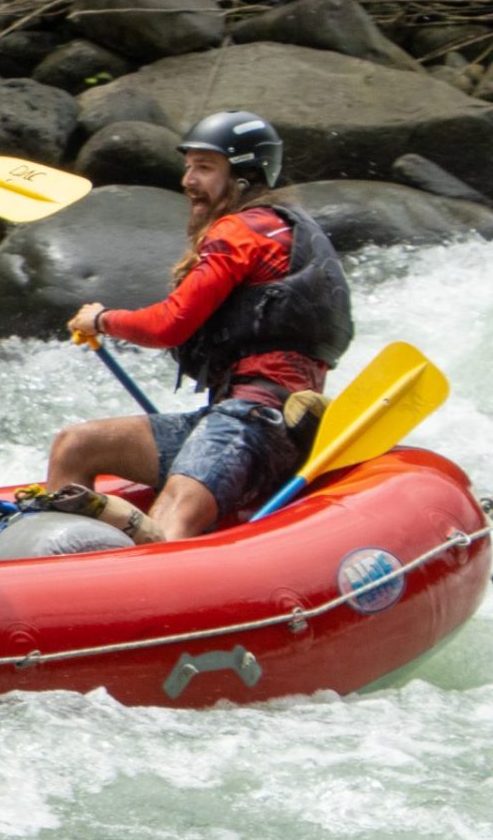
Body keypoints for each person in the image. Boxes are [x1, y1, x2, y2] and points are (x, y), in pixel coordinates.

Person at [36, 110, 348, 541]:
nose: (188, 181)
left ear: (243, 176)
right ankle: (61, 566)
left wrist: (102, 319)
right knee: (77, 444)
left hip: (256, 421)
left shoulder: (241, 232)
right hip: (235, 415)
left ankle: (134, 585)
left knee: (171, 518)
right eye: (188, 167)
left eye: (204, 168)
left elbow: (170, 323)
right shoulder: (288, 228)